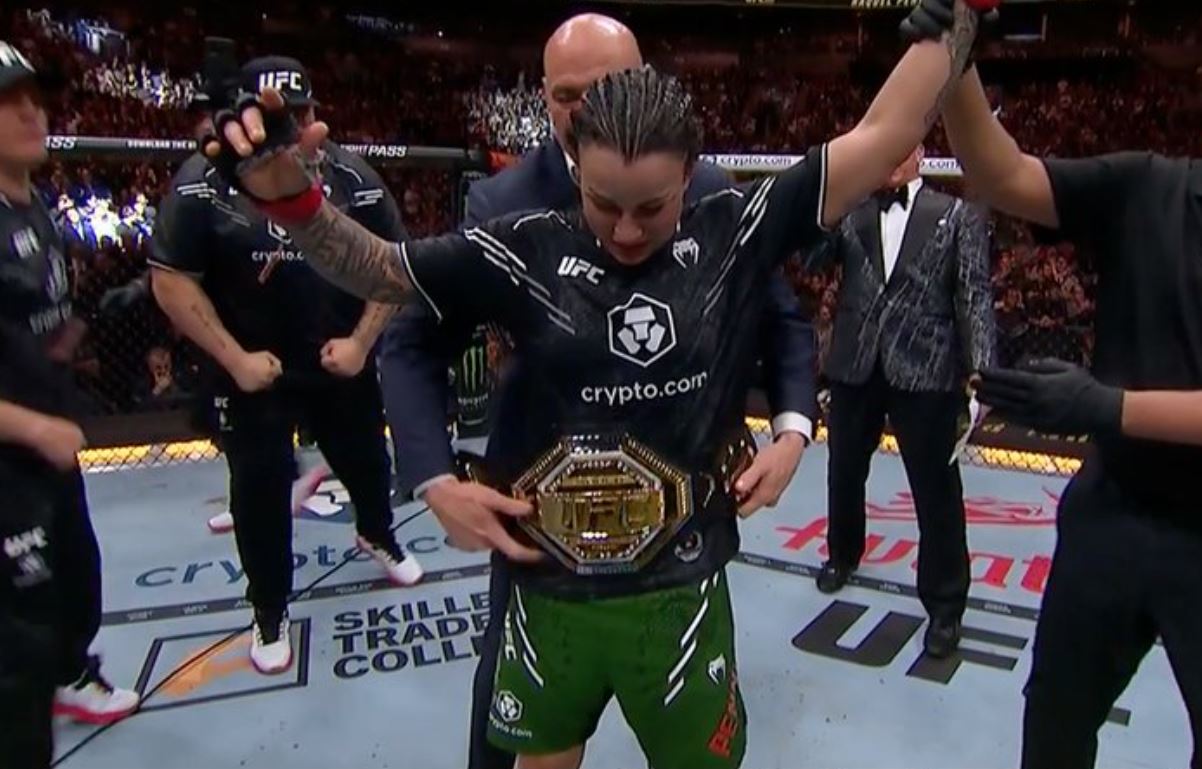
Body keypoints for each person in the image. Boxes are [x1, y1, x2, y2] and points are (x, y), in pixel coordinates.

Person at [205, 1, 997, 764]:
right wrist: (293, 201)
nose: (625, 230)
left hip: (681, 573)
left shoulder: (735, 222)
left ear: (689, 173)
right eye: (603, 203)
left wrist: (961, 13)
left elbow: (883, 135)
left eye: (652, 207)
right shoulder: (522, 242)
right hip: (549, 574)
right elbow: (379, 269)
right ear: (575, 161)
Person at [375, 14, 818, 769]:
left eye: (603, 87)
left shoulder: (705, 190)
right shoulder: (502, 199)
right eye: (566, 94)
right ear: (543, 95)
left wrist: (792, 429)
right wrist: (433, 477)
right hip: (541, 513)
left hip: (678, 521)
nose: (583, 108)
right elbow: (412, 338)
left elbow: (780, 319)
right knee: (509, 702)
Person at [940, 63, 1202, 769]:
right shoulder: (1151, 186)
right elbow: (1001, 174)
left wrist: (1106, 406)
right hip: (1114, 507)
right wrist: (954, 63)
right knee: (1055, 725)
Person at [149, 56, 424, 675]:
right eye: (281, 117)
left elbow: (396, 265)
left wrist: (361, 342)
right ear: (247, 120)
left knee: (367, 461)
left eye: (302, 114)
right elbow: (170, 279)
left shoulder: (352, 177)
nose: (295, 128)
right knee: (259, 486)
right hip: (252, 365)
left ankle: (376, 532)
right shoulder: (203, 183)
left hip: (336, 358)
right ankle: (268, 607)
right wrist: (234, 358)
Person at [0, 43, 139, 765]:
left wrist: (84, 327)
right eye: (8, 102)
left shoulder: (34, 205)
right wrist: (32, 426)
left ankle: (69, 671)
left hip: (47, 444)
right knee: (16, 639)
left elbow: (31, 328)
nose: (32, 113)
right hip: (13, 455)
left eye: (35, 97)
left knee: (74, 575)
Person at [806, 143, 995, 658]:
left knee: (936, 491)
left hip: (926, 366)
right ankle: (843, 553)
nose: (891, 159)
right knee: (844, 469)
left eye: (902, 149)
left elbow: (974, 295)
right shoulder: (852, 209)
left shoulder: (955, 215)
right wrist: (831, 202)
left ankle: (946, 605)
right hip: (856, 361)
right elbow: (814, 262)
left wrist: (982, 371)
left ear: (920, 154)